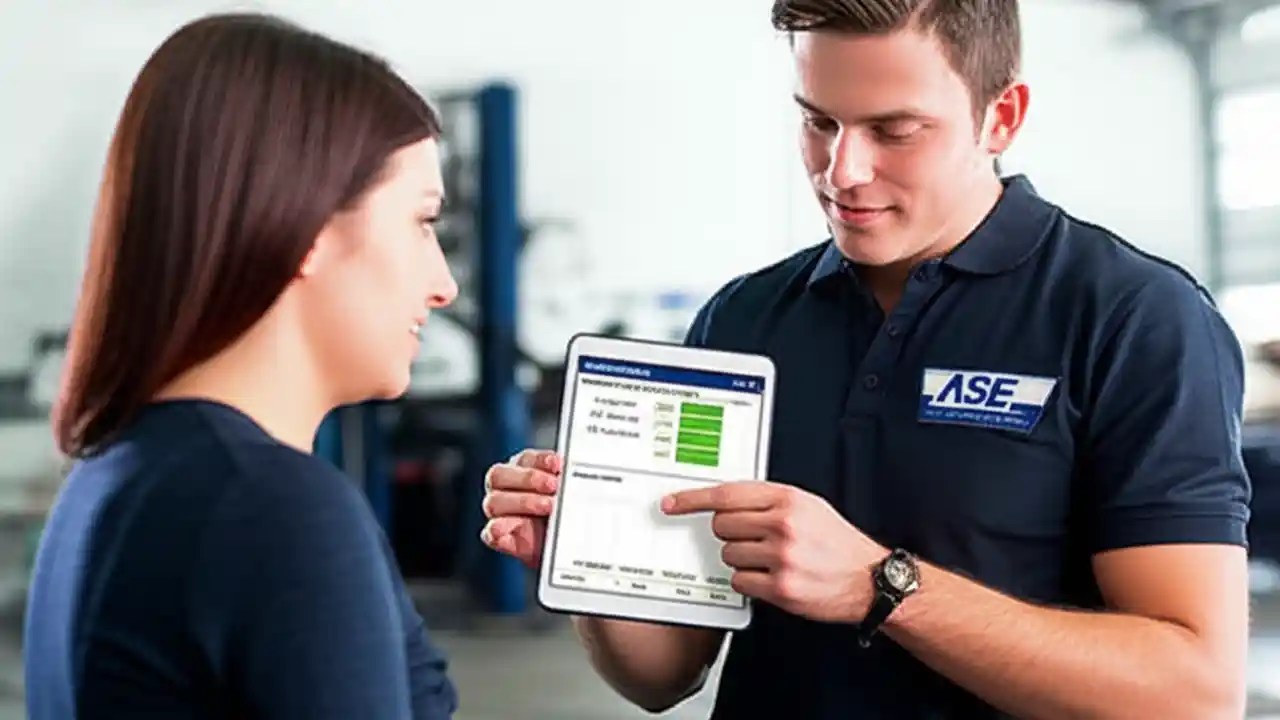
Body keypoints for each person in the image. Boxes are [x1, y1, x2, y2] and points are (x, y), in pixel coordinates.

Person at [480, 1, 1253, 718]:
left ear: (1001, 118)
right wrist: (589, 566)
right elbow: (664, 676)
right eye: (819, 121)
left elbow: (1193, 691)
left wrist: (880, 586)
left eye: (894, 130)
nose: (840, 170)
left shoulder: (1134, 318)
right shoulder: (743, 319)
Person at [24, 13, 460, 719]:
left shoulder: (119, 472)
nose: (444, 283)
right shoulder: (274, 509)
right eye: (421, 221)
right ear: (311, 230)